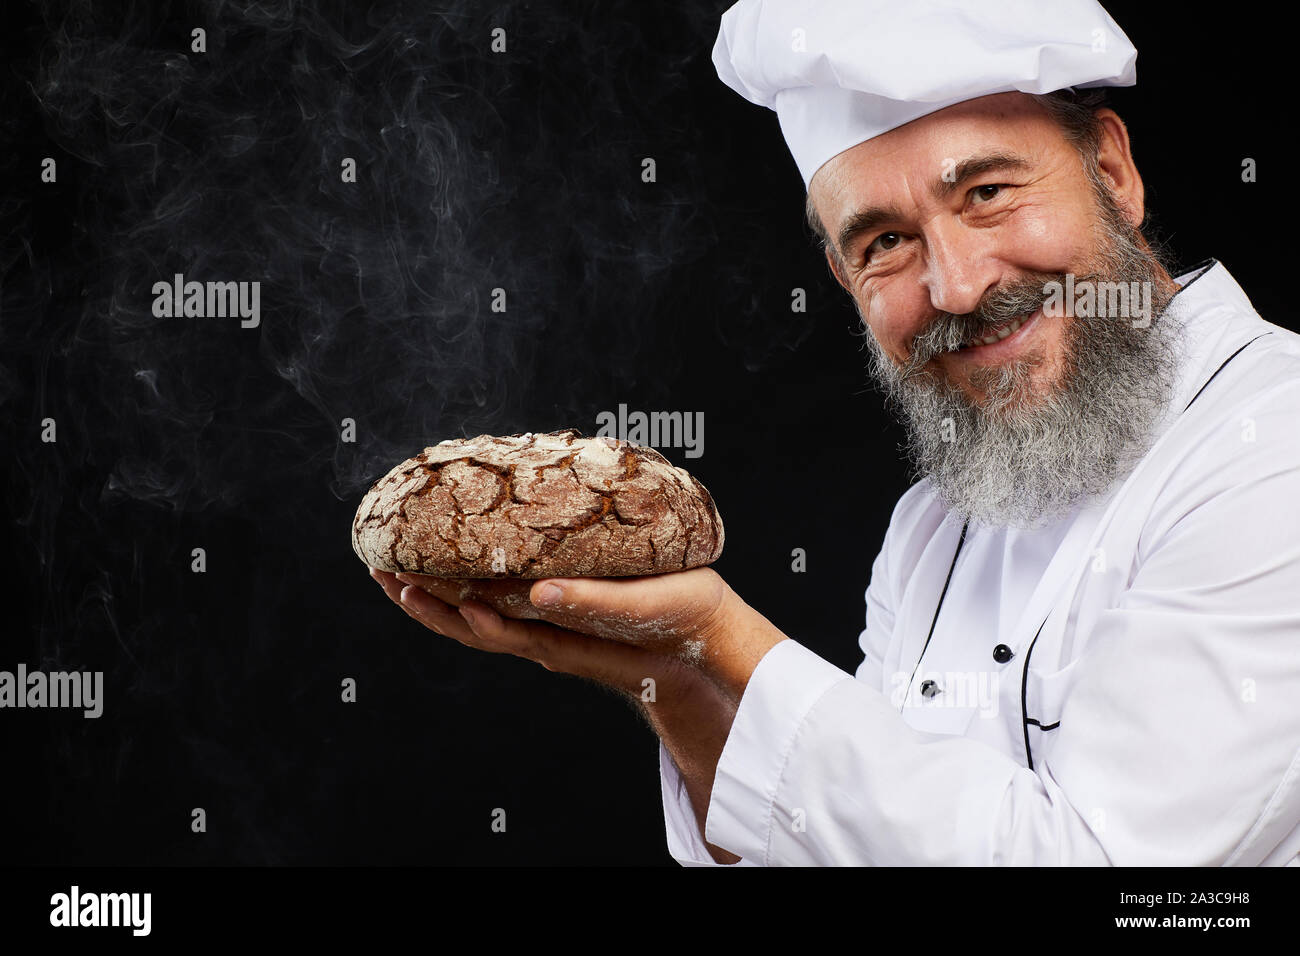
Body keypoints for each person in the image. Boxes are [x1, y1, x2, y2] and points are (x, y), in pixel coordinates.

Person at [370, 0, 1300, 865]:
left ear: (1112, 172)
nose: (960, 286)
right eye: (884, 242)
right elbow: (849, 840)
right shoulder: (934, 525)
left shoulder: (1272, 443)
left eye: (985, 191)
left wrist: (724, 640)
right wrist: (676, 674)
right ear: (844, 276)